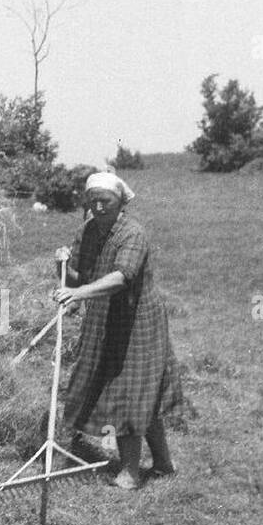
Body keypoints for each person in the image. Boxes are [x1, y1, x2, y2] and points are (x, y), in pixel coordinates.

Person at [54, 172, 182, 490]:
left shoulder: (133, 234)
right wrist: (63, 273)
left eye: (105, 201)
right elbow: (80, 272)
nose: (98, 207)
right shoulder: (89, 230)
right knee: (142, 397)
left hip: (138, 321)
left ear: (121, 202)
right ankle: (164, 464)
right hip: (105, 318)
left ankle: (131, 472)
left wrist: (80, 294)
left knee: (131, 393)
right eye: (92, 201)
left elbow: (121, 277)